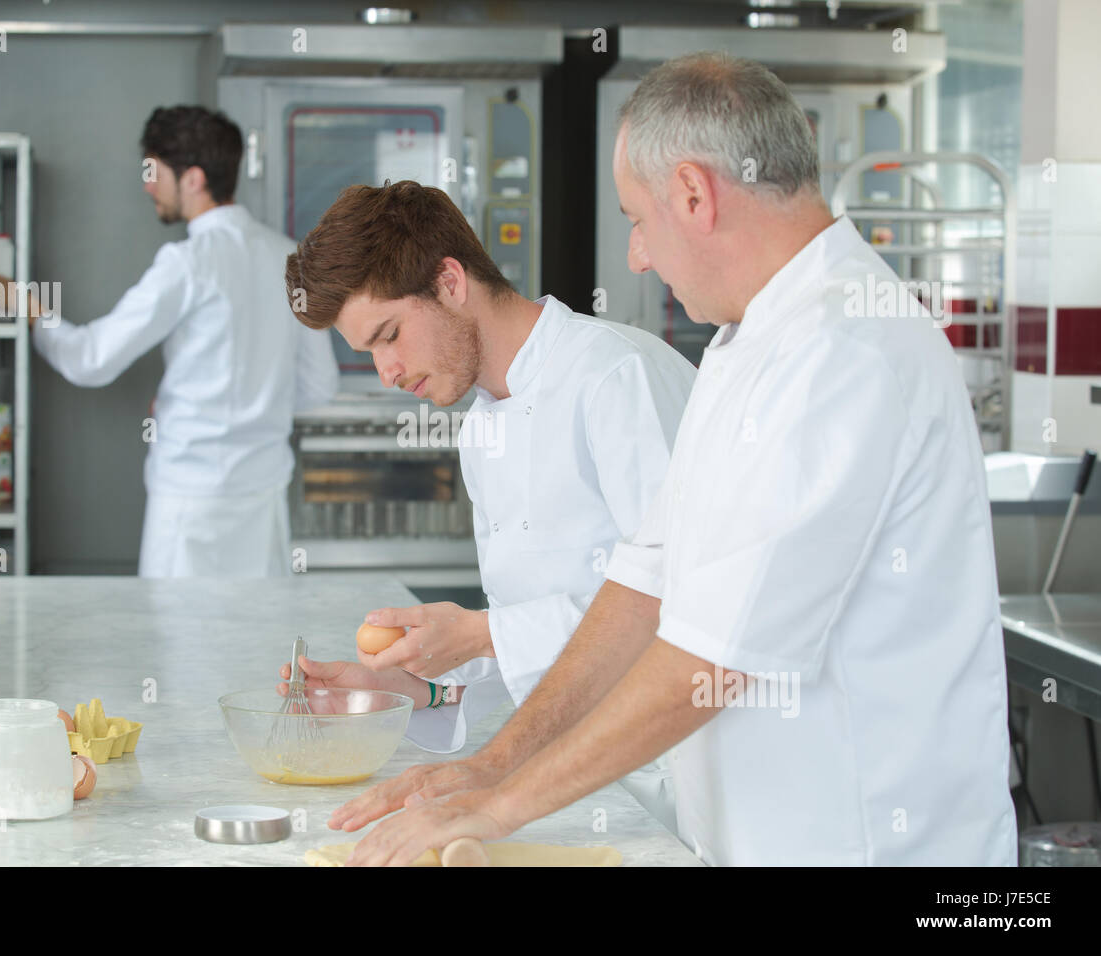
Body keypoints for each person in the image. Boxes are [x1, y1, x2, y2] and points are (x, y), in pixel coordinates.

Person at [335, 53, 1017, 866]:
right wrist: (487, 768)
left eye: (637, 218)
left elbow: (712, 654)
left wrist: (496, 810)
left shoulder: (844, 352)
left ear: (693, 194)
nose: (637, 256)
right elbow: (643, 584)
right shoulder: (745, 346)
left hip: (859, 840)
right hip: (747, 837)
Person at [281, 181, 696, 829]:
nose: (386, 372)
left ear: (449, 281)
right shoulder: (481, 425)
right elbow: (542, 639)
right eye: (368, 352)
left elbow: (682, 604)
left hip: (681, 781)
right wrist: (416, 691)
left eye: (388, 335)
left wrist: (479, 631)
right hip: (572, 780)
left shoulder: (614, 377)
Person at [29, 105, 338, 577]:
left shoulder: (187, 262)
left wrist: (32, 311)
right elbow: (320, 387)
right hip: (263, 502)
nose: (148, 185)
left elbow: (91, 359)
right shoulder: (290, 259)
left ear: (193, 179)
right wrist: (256, 403)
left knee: (177, 647)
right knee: (258, 644)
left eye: (154, 172)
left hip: (189, 506)